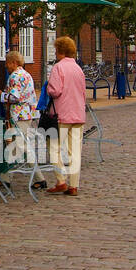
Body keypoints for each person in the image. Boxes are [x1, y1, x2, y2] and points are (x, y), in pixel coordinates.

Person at [44, 36, 87, 196]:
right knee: (75, 151)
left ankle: (61, 180)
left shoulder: (58, 68)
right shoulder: (78, 69)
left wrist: (48, 87)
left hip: (61, 115)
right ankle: (73, 185)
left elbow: (55, 90)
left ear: (60, 51)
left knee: (53, 147)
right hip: (78, 114)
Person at [0, 50, 38, 171]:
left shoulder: (15, 76)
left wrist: (1, 94)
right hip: (27, 114)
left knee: (21, 146)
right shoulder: (26, 74)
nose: (6, 66)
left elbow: (15, 97)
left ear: (14, 63)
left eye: (7, 63)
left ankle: (39, 177)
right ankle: (6, 177)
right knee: (14, 147)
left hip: (19, 115)